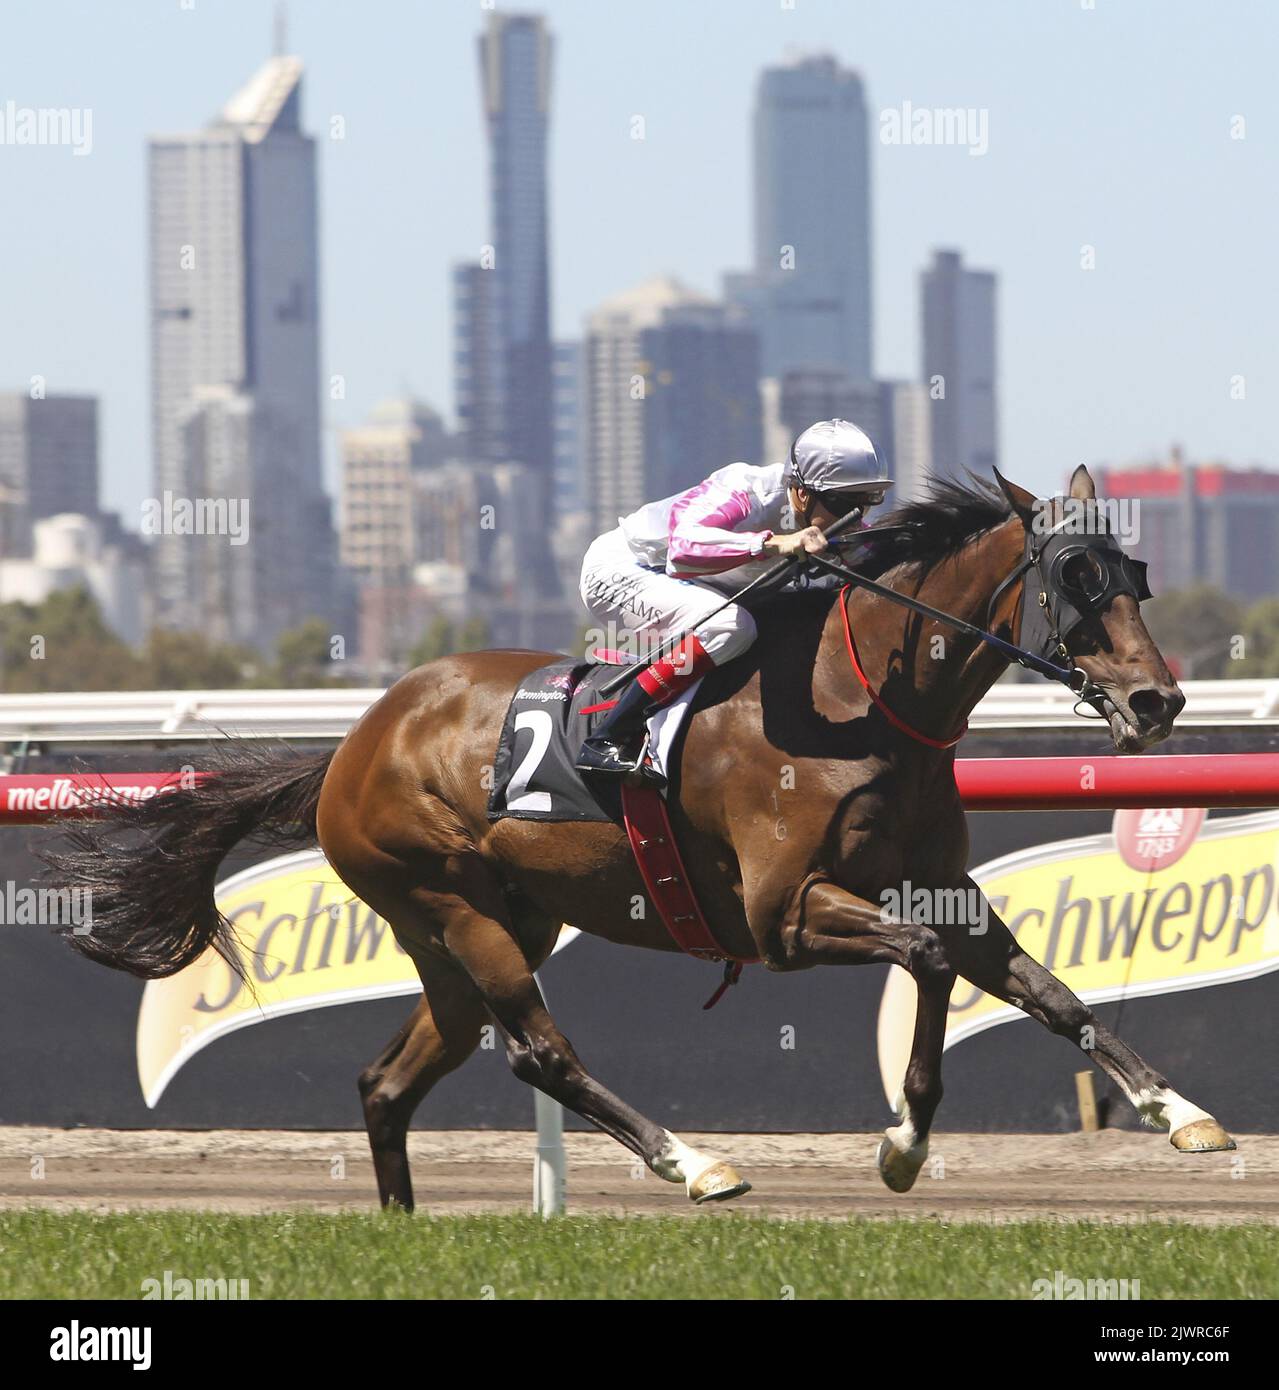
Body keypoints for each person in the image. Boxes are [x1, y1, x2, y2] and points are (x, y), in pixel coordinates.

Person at [576, 418, 891, 778]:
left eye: (866, 504)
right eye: (845, 504)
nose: (856, 518)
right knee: (731, 627)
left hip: (692, 583)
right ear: (803, 493)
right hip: (621, 571)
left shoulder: (826, 515)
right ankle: (608, 738)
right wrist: (773, 543)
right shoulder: (748, 491)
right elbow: (683, 547)